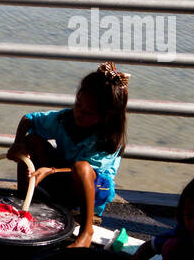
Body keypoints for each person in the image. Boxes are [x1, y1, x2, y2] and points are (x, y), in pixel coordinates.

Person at [7, 62, 129, 248]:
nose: (79, 114)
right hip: (63, 180)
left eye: (88, 113)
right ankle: (23, 200)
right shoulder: (65, 118)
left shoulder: (108, 137)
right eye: (78, 105)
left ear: (106, 116)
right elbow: (28, 119)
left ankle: (86, 230)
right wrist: (18, 143)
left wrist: (52, 171)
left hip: (92, 190)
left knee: (81, 167)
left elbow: (88, 171)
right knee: (32, 140)